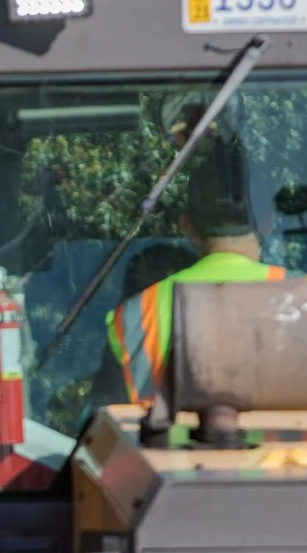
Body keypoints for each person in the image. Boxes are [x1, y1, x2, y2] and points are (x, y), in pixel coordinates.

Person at [106, 129, 287, 408]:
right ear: (269, 222)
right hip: (303, 453)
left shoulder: (135, 316)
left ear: (187, 226)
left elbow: (110, 424)